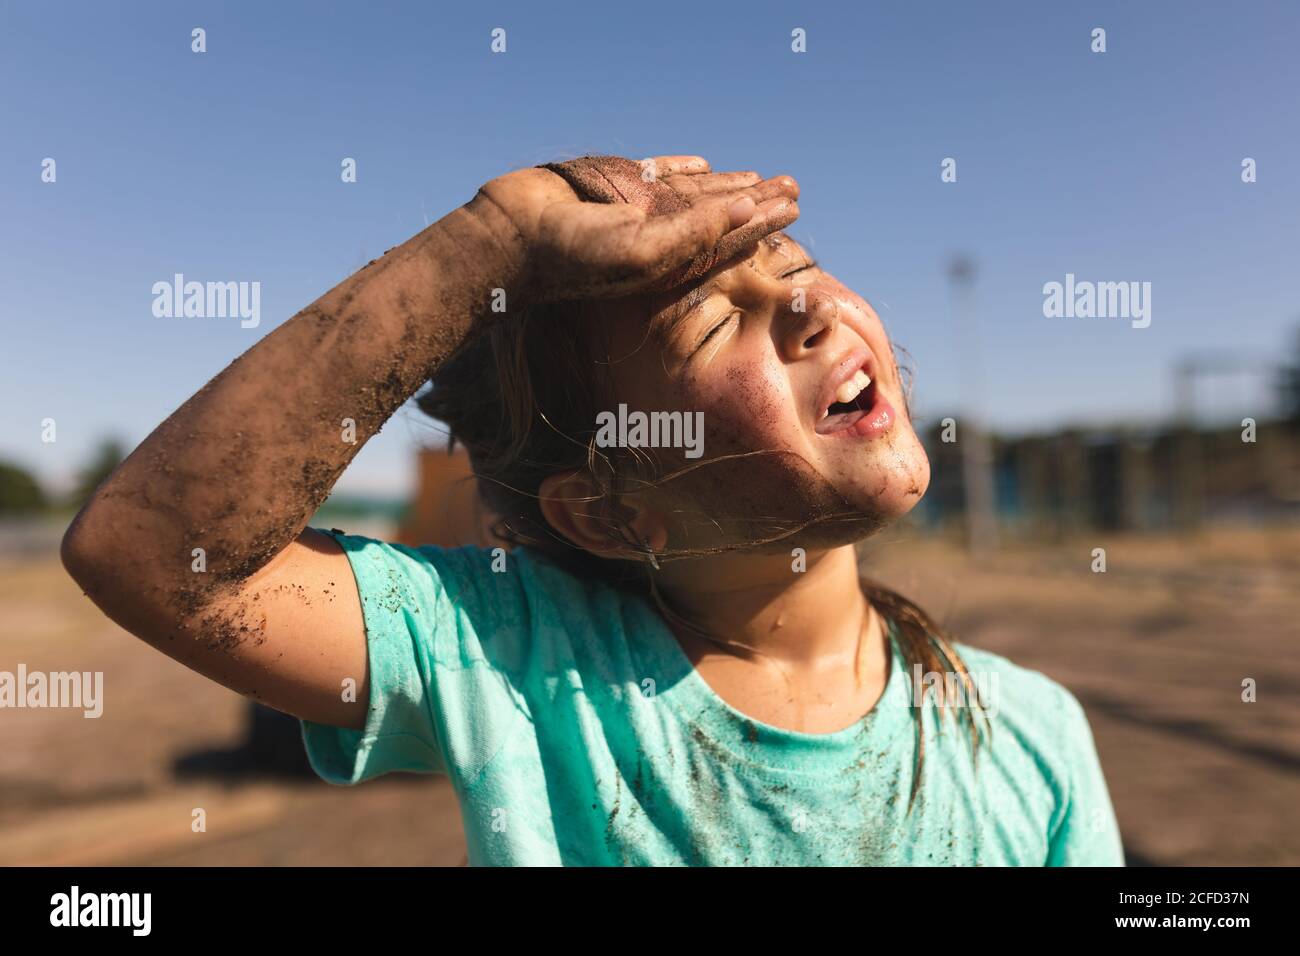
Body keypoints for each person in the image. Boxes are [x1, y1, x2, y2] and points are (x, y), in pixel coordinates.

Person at [62, 154, 1124, 866]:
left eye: (796, 264)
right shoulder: (512, 661)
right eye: (714, 329)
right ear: (610, 515)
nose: (806, 307)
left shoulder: (1029, 736)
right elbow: (150, 552)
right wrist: (491, 242)